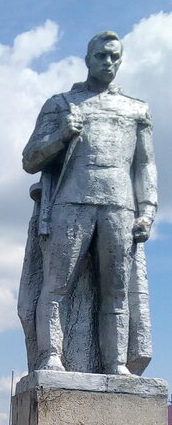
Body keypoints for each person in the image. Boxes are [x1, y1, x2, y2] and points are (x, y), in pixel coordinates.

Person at [18, 31, 157, 376]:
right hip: (71, 202)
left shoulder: (136, 109)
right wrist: (60, 135)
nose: (108, 63)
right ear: (87, 58)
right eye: (101, 56)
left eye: (114, 57)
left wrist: (148, 210)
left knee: (117, 292)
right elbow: (30, 159)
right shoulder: (61, 104)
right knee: (56, 286)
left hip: (119, 206)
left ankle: (116, 363)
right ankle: (51, 356)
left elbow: (144, 164)